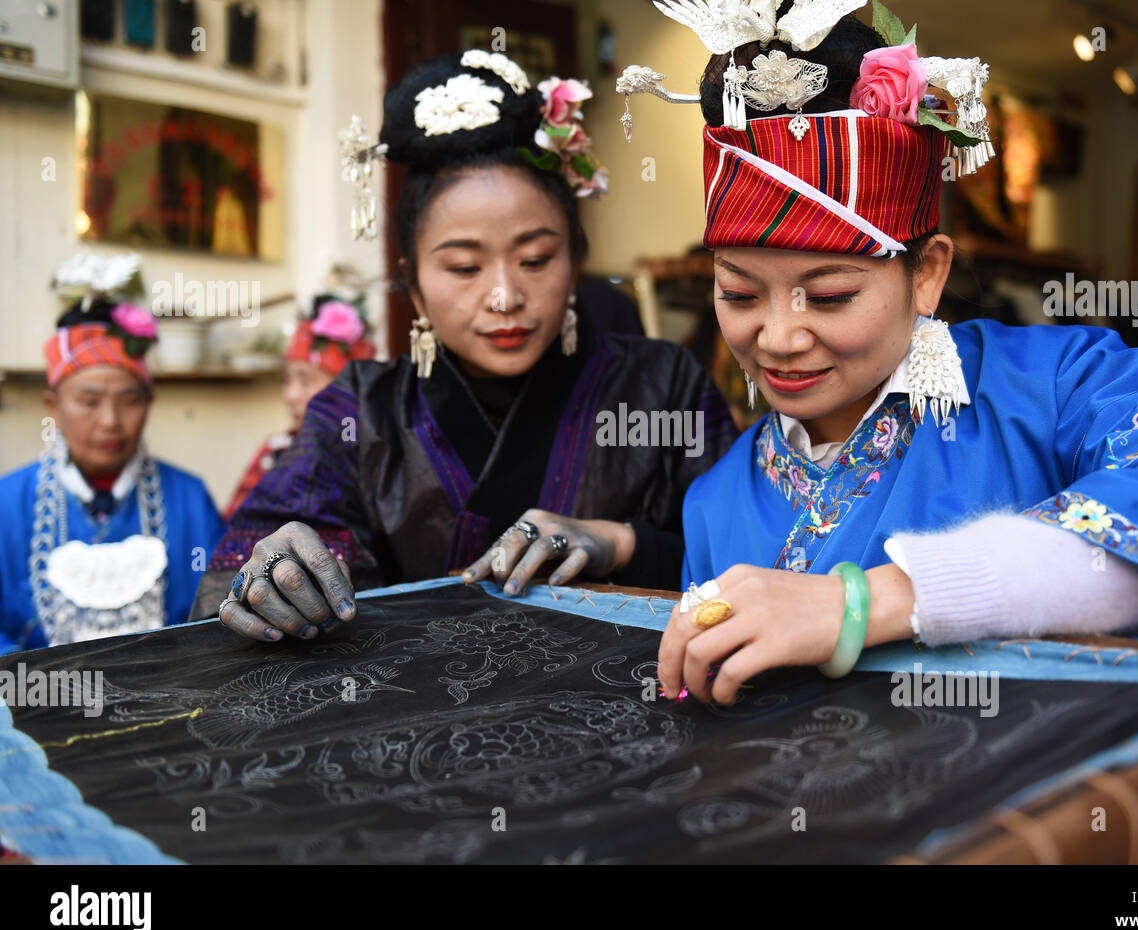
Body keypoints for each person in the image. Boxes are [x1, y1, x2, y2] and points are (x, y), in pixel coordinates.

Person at [619, 1, 1138, 704]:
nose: (780, 338)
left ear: (927, 274)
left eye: (828, 296)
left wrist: (872, 601)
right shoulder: (715, 501)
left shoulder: (1058, 386)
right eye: (738, 294)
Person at [195, 51, 737, 639]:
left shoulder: (663, 389)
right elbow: (231, 583)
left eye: (535, 259)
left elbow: (751, 567)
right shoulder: (361, 412)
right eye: (463, 267)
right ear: (417, 288)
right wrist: (278, 571)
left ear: (576, 259)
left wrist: (619, 543)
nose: (504, 296)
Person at [0, 256, 225, 651]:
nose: (110, 421)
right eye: (89, 401)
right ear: (53, 406)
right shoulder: (7, 504)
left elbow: (221, 616)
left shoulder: (189, 499)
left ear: (149, 403)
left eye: (129, 401)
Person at [225, 294, 376, 518]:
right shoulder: (276, 451)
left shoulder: (377, 457)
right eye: (287, 380)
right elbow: (234, 529)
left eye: (305, 381)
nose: (290, 394)